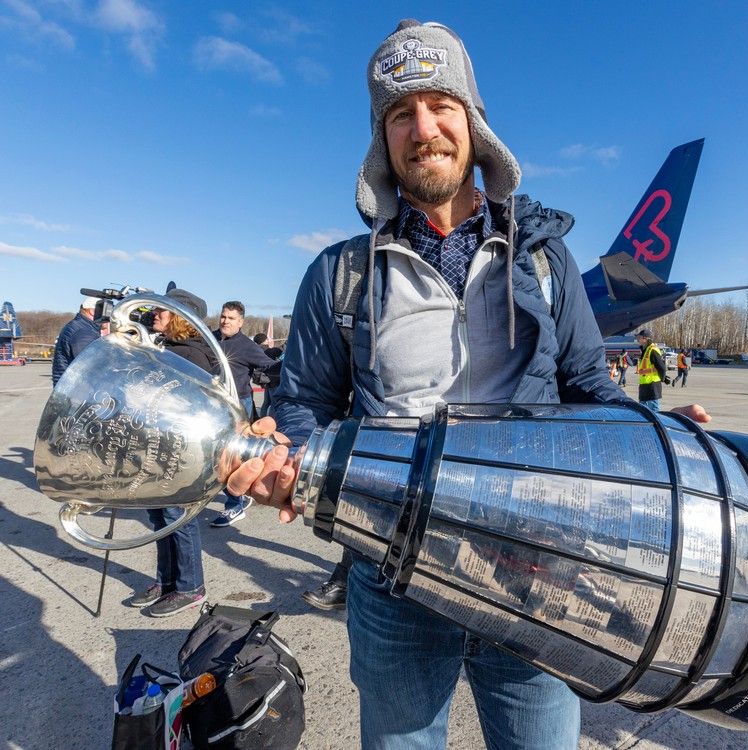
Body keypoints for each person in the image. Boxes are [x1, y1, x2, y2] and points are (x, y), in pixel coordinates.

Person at [226, 19, 709, 748]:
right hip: (391, 578)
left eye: (441, 104)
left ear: (474, 124)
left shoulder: (546, 262)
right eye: (400, 113)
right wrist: (284, 450)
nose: (423, 128)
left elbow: (587, 386)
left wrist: (657, 437)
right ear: (382, 139)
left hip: (541, 574)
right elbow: (303, 403)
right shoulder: (340, 274)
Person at [129, 287, 213, 616]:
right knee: (159, 515)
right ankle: (167, 581)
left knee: (177, 517)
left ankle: (190, 586)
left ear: (179, 317)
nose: (155, 315)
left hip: (178, 449)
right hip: (157, 445)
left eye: (162, 312)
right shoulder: (167, 347)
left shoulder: (190, 354)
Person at [210, 301, 278, 527]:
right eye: (223, 317)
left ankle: (234, 506)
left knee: (231, 457)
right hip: (213, 404)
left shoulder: (247, 346)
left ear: (240, 322)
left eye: (231, 318)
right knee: (211, 454)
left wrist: (280, 370)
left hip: (239, 405)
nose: (225, 321)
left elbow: (269, 366)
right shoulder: (210, 339)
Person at [51, 295, 101, 385]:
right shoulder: (83, 332)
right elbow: (90, 366)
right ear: (92, 311)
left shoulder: (80, 326)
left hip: (70, 388)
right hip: (76, 391)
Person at [636, 328, 668, 411]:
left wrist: (663, 378)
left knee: (654, 411)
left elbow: (662, 367)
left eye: (639, 337)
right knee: (643, 412)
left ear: (645, 338)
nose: (637, 339)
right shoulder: (645, 350)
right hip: (644, 385)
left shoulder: (652, 350)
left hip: (652, 385)